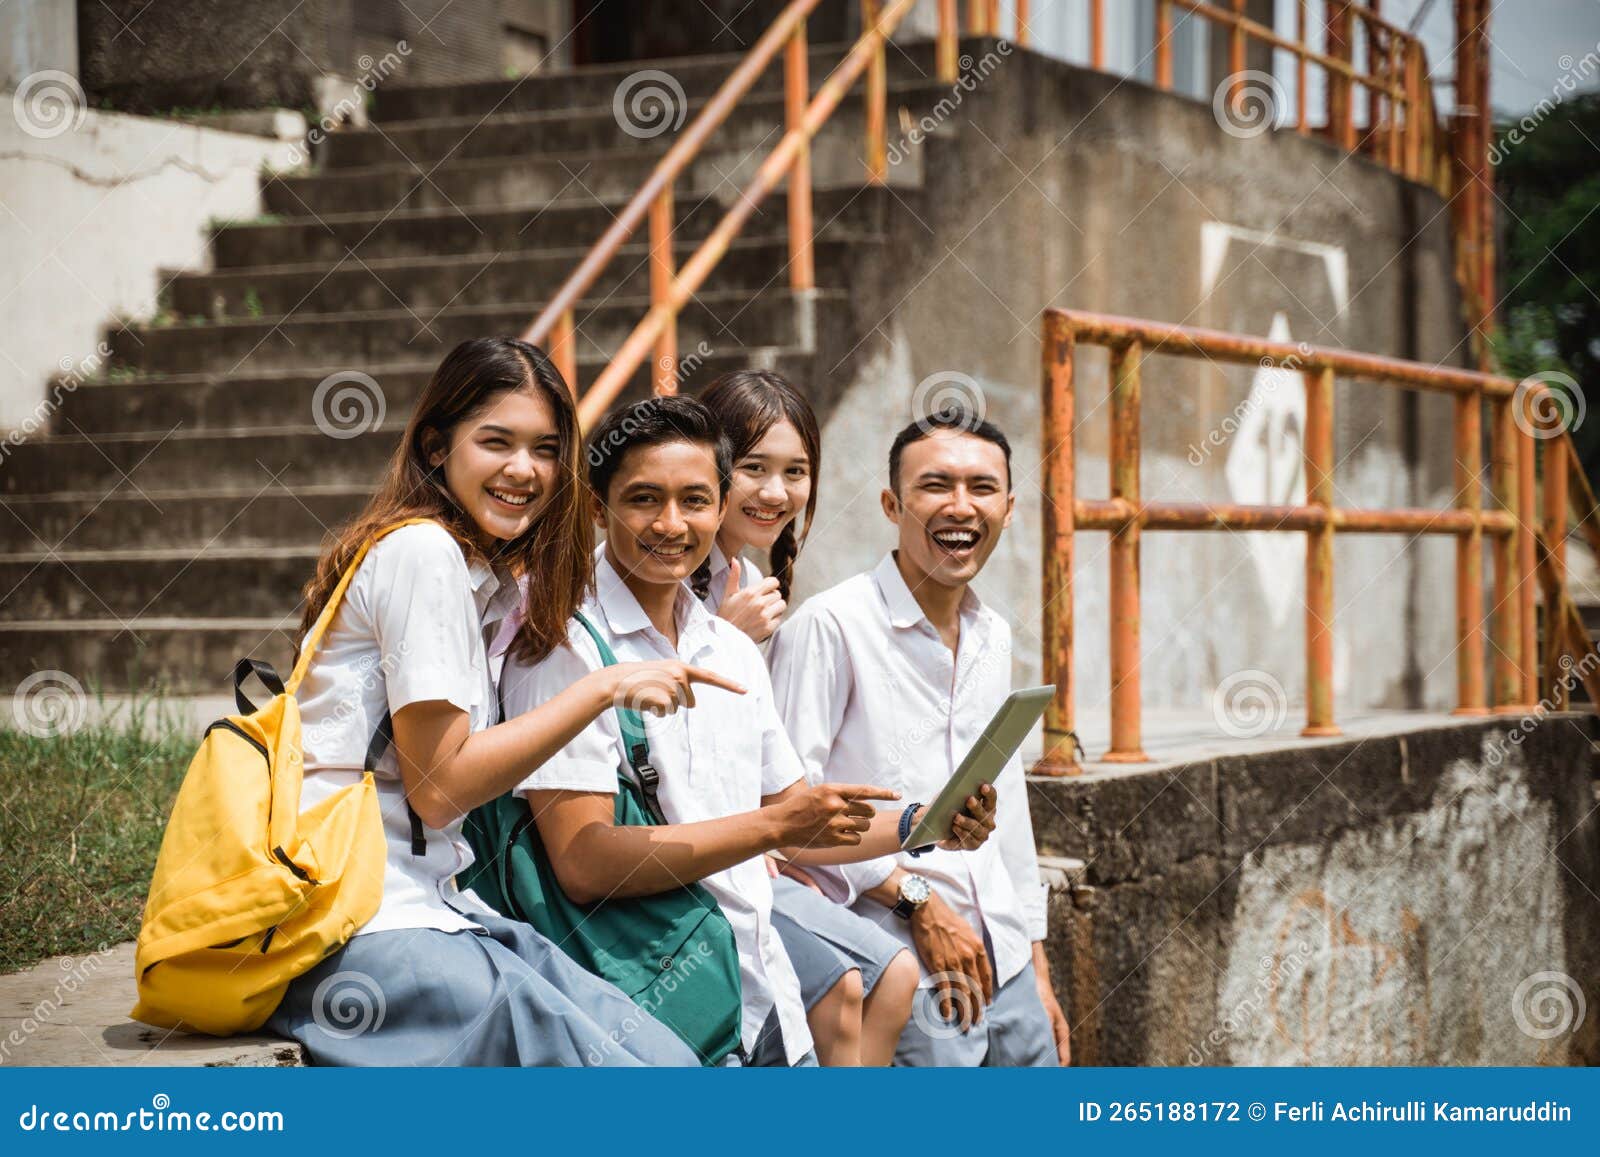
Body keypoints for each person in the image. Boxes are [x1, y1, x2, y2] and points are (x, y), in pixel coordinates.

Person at [498, 396, 997, 1066]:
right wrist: (772, 827)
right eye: (644, 499)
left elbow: (801, 825)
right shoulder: (565, 648)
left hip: (762, 988)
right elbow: (584, 863)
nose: (671, 523)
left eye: (695, 500)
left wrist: (925, 823)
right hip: (647, 1005)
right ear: (597, 506)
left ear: (720, 505)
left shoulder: (730, 649)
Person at [267, 338, 721, 1067]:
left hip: (436, 904)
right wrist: (600, 689)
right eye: (496, 442)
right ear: (436, 447)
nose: (524, 470)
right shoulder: (423, 554)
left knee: (668, 1062)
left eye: (545, 449)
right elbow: (440, 786)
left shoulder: (475, 575)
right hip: (360, 922)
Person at [767, 409, 1073, 1067]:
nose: (961, 506)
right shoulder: (830, 627)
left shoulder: (993, 635)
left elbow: (1009, 810)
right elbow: (789, 814)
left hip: (1007, 960)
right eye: (935, 485)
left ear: (1009, 509)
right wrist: (916, 899)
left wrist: (1038, 968)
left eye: (982, 487)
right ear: (892, 504)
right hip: (905, 965)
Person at [691, 369, 920, 1067]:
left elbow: (782, 788)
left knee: (895, 974)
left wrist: (920, 825)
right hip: (695, 860)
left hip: (757, 848)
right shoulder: (696, 590)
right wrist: (723, 641)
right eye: (753, 467)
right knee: (847, 986)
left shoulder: (742, 582)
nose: (775, 491)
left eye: (795, 471)